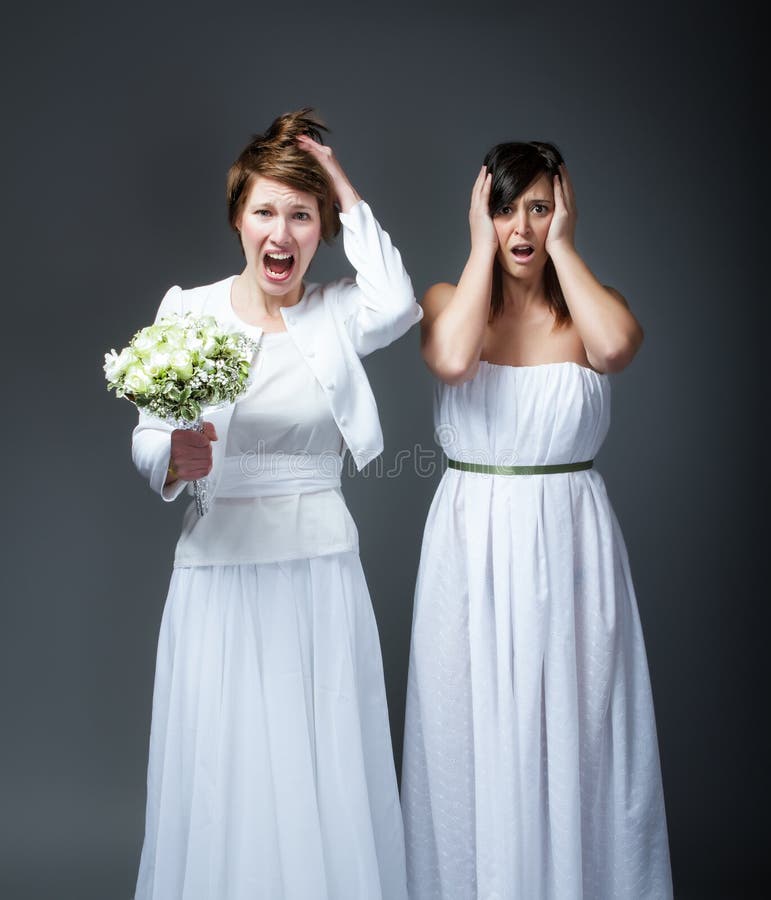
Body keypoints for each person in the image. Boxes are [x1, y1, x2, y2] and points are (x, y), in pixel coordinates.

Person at [130, 108, 422, 900]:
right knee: (225, 766)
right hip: (216, 570)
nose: (281, 232)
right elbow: (148, 433)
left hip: (316, 568)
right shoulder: (186, 309)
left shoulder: (334, 312)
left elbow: (398, 302)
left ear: (321, 227)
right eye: (264, 211)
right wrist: (170, 458)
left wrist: (339, 183)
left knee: (317, 764)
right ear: (237, 219)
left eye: (301, 215)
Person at [401, 142, 673, 899]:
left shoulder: (591, 308)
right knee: (465, 736)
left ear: (563, 213)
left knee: (581, 735)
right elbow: (453, 361)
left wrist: (565, 248)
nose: (521, 226)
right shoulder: (443, 300)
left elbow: (616, 348)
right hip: (470, 549)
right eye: (504, 208)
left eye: (538, 208)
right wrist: (477, 247)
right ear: (481, 216)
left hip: (571, 549)